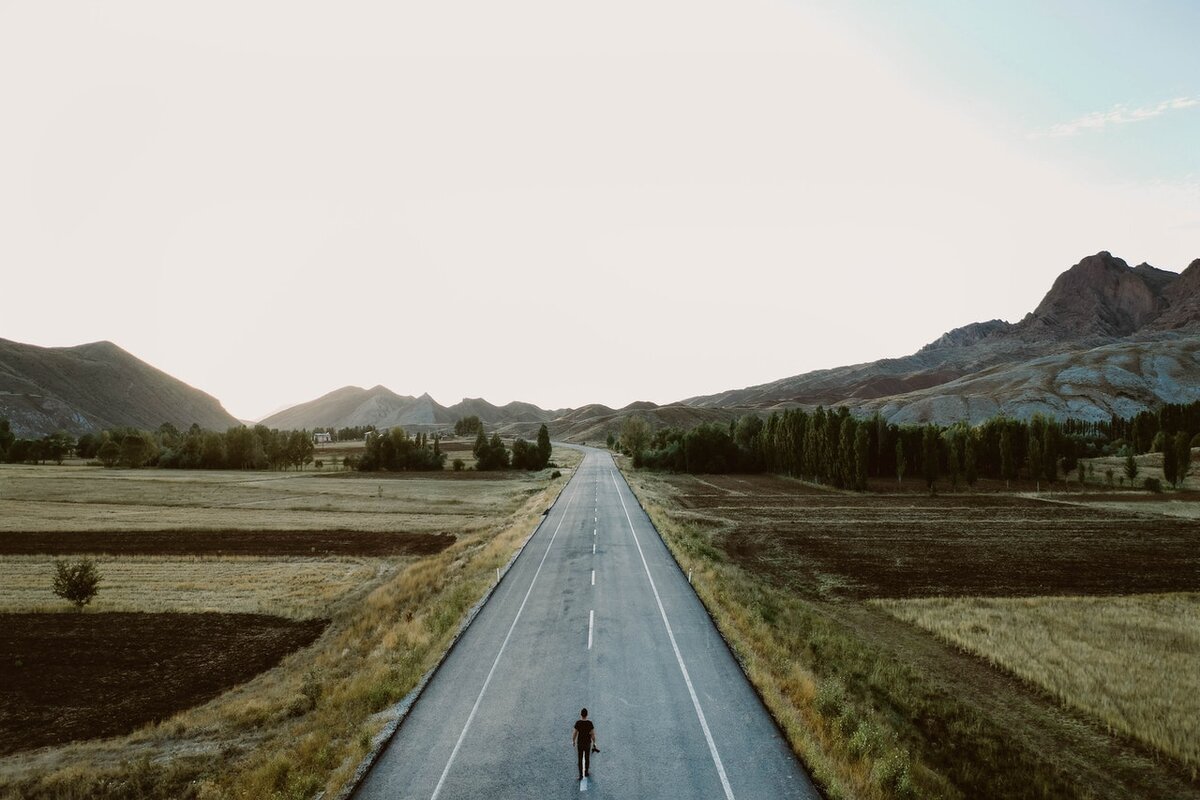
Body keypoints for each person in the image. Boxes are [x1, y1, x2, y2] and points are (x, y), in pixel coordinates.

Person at [572, 707, 598, 779]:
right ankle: (586, 772)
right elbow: (592, 734)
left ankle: (580, 775)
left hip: (580, 743)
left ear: (581, 714)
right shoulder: (590, 723)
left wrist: (573, 741)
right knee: (587, 758)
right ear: (587, 715)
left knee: (580, 759)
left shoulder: (578, 723)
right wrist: (594, 743)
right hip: (587, 744)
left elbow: (575, 733)